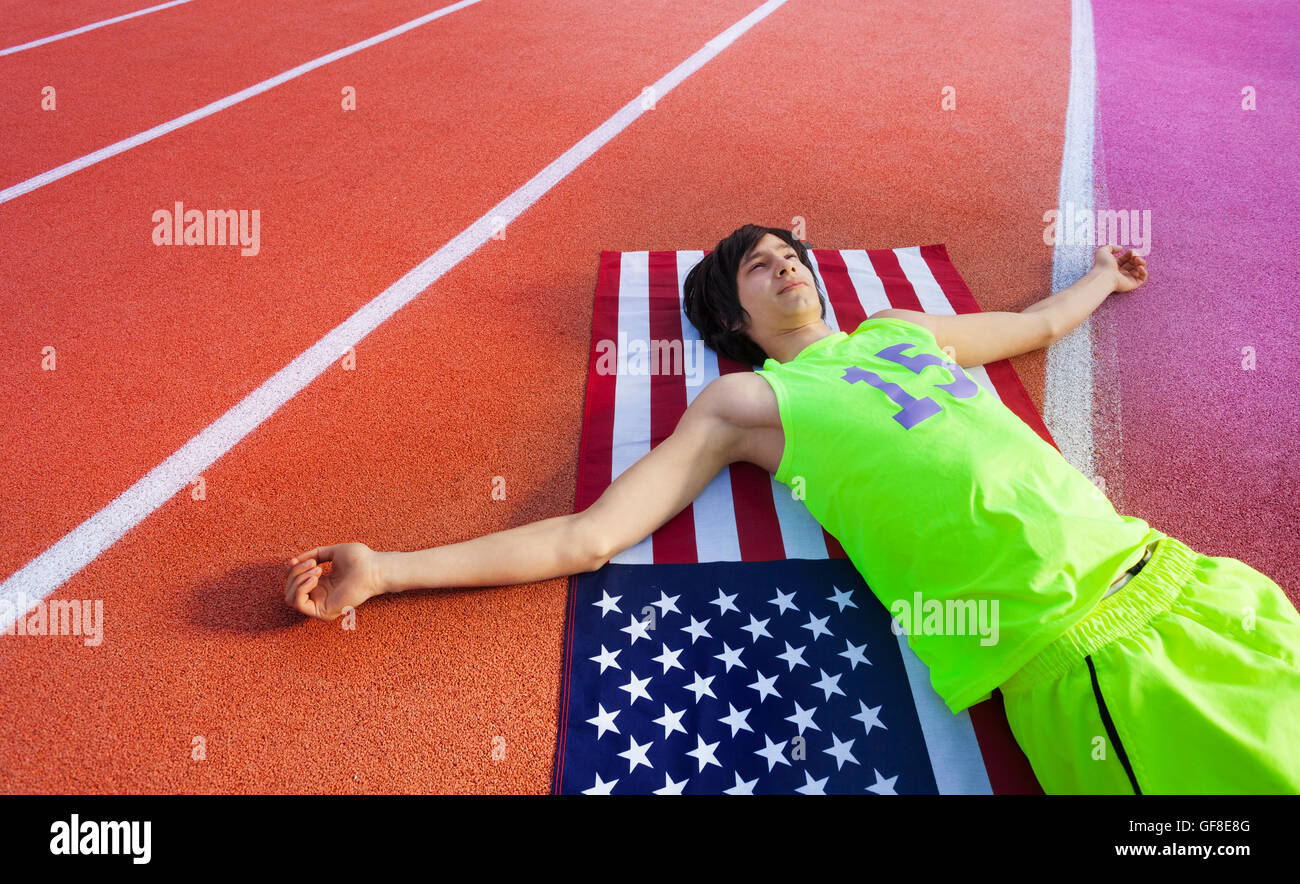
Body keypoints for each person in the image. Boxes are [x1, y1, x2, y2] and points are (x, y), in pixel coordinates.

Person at [282, 223, 1300, 794]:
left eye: (789, 250)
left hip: (1196, 581)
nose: (788, 263)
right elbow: (587, 534)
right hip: (1083, 655)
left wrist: (1099, 278)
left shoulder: (903, 330)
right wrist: (392, 565)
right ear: (733, 315)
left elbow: (1030, 325)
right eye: (758, 264)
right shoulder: (751, 403)